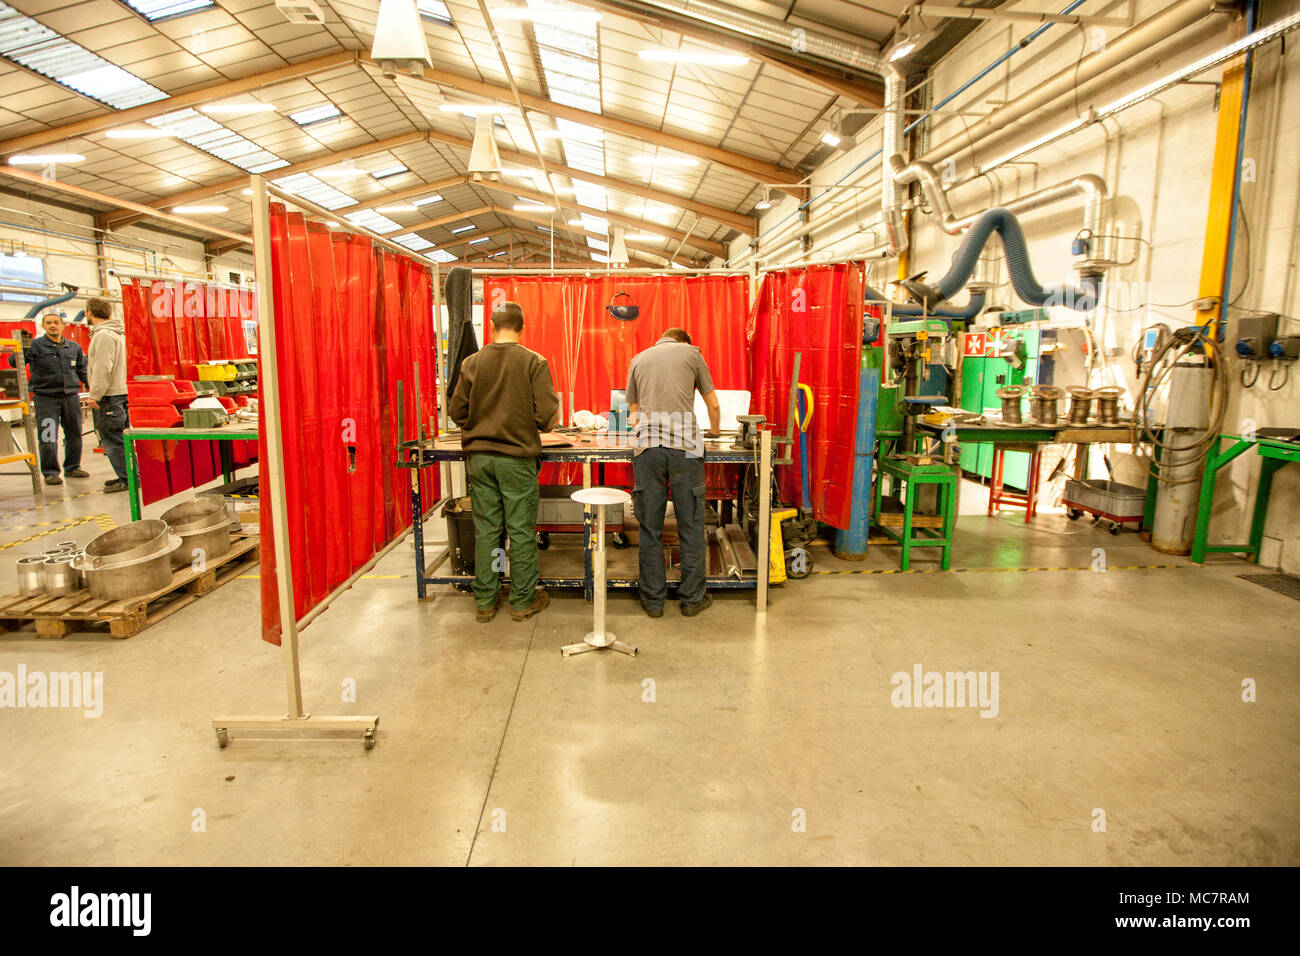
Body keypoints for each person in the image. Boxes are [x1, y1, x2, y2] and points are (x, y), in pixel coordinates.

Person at [449, 301, 559, 624]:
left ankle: (485, 600)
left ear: (492, 328)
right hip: (516, 460)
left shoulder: (472, 363)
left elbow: (457, 413)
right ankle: (522, 600)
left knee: (487, 530)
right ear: (522, 330)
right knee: (521, 531)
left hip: (480, 461)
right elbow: (547, 416)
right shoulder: (533, 362)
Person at [625, 327, 722, 618]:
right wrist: (714, 431)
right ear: (684, 342)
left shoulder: (638, 359)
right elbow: (713, 403)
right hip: (686, 450)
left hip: (648, 450)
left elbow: (633, 413)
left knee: (650, 527)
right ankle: (692, 600)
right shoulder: (692, 354)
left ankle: (653, 603)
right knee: (690, 526)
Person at [8, 312, 88, 486]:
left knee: (74, 434)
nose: (53, 325)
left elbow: (83, 371)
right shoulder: (36, 346)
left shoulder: (73, 347)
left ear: (63, 325)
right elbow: (15, 363)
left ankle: (73, 467)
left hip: (70, 398)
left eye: (56, 322)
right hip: (46, 399)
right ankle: (51, 472)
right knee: (48, 436)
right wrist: (22, 346)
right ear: (43, 326)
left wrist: (93, 392)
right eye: (49, 323)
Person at [85, 297, 130, 493]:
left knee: (113, 441)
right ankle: (128, 475)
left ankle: (127, 479)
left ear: (89, 313)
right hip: (119, 393)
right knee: (120, 439)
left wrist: (95, 395)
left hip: (110, 396)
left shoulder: (103, 335)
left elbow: (103, 368)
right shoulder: (116, 334)